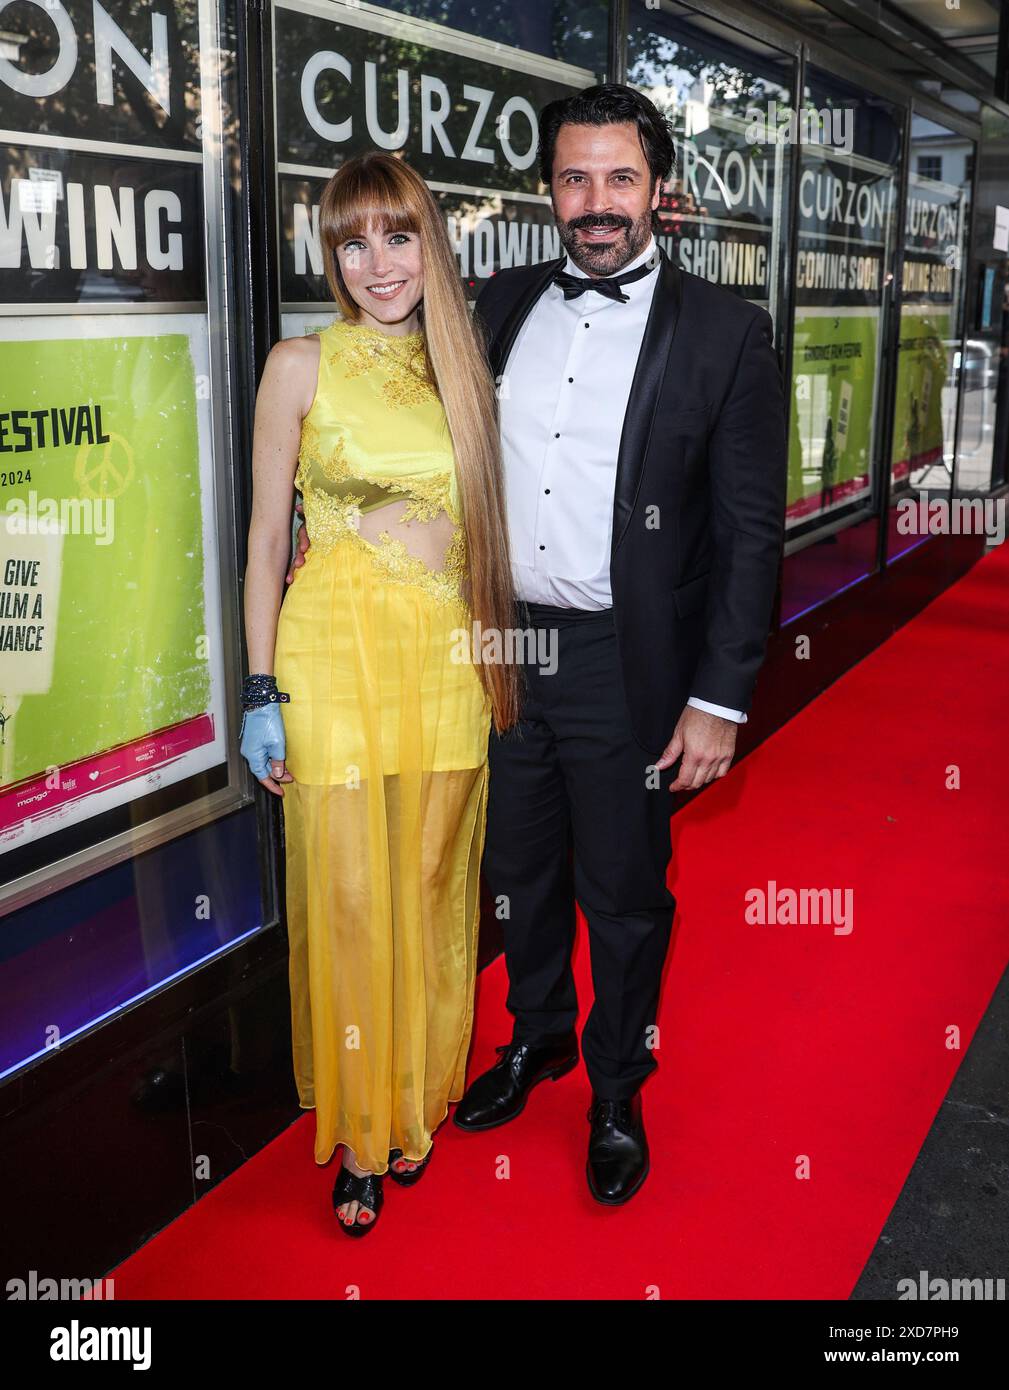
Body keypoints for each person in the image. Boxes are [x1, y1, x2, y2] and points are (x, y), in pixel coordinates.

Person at [292, 84, 788, 1209]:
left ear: (659, 191)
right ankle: (536, 1040)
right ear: (547, 191)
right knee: (513, 870)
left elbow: (752, 531)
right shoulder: (500, 304)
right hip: (501, 646)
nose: (596, 202)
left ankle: (616, 1087)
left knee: (621, 888)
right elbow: (384, 421)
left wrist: (719, 697)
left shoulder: (723, 331)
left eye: (620, 178)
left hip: (628, 658)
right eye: (574, 178)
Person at [240, 151, 518, 1236]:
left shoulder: (466, 366)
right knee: (352, 901)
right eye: (353, 242)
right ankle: (361, 1136)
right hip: (332, 664)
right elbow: (267, 539)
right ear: (333, 256)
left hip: (442, 665)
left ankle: (411, 1102)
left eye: (397, 236)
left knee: (431, 882)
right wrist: (261, 687)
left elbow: (491, 539)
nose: (378, 263)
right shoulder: (298, 364)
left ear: (429, 243)